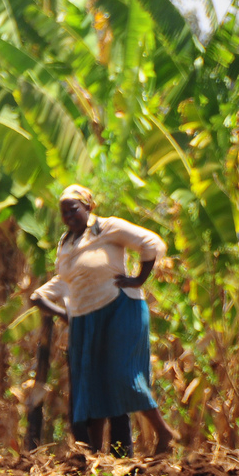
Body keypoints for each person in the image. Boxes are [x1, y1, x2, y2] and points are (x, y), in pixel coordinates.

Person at [30, 185, 176, 456]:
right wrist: (57, 308)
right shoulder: (66, 243)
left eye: (73, 209)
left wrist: (139, 278)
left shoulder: (108, 227)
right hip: (87, 319)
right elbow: (66, 280)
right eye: (63, 212)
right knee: (93, 384)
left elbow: (151, 243)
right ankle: (96, 454)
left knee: (123, 376)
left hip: (120, 309)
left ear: (88, 206)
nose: (68, 216)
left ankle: (165, 433)